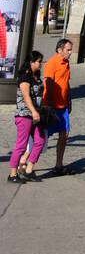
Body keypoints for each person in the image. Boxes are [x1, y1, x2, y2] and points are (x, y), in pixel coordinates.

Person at [9, 50, 46, 183]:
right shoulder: (24, 76)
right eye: (39, 61)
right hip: (24, 114)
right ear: (31, 62)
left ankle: (29, 170)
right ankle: (12, 174)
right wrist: (34, 111)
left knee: (40, 141)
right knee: (21, 145)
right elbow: (26, 96)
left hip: (35, 115)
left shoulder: (36, 75)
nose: (41, 64)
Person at [42, 37, 74, 175]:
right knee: (42, 136)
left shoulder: (66, 63)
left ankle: (59, 165)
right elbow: (48, 86)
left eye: (71, 50)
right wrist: (48, 107)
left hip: (63, 106)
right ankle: (25, 163)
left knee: (64, 134)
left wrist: (69, 100)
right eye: (68, 50)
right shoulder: (51, 64)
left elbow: (66, 83)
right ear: (59, 50)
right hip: (51, 107)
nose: (71, 52)